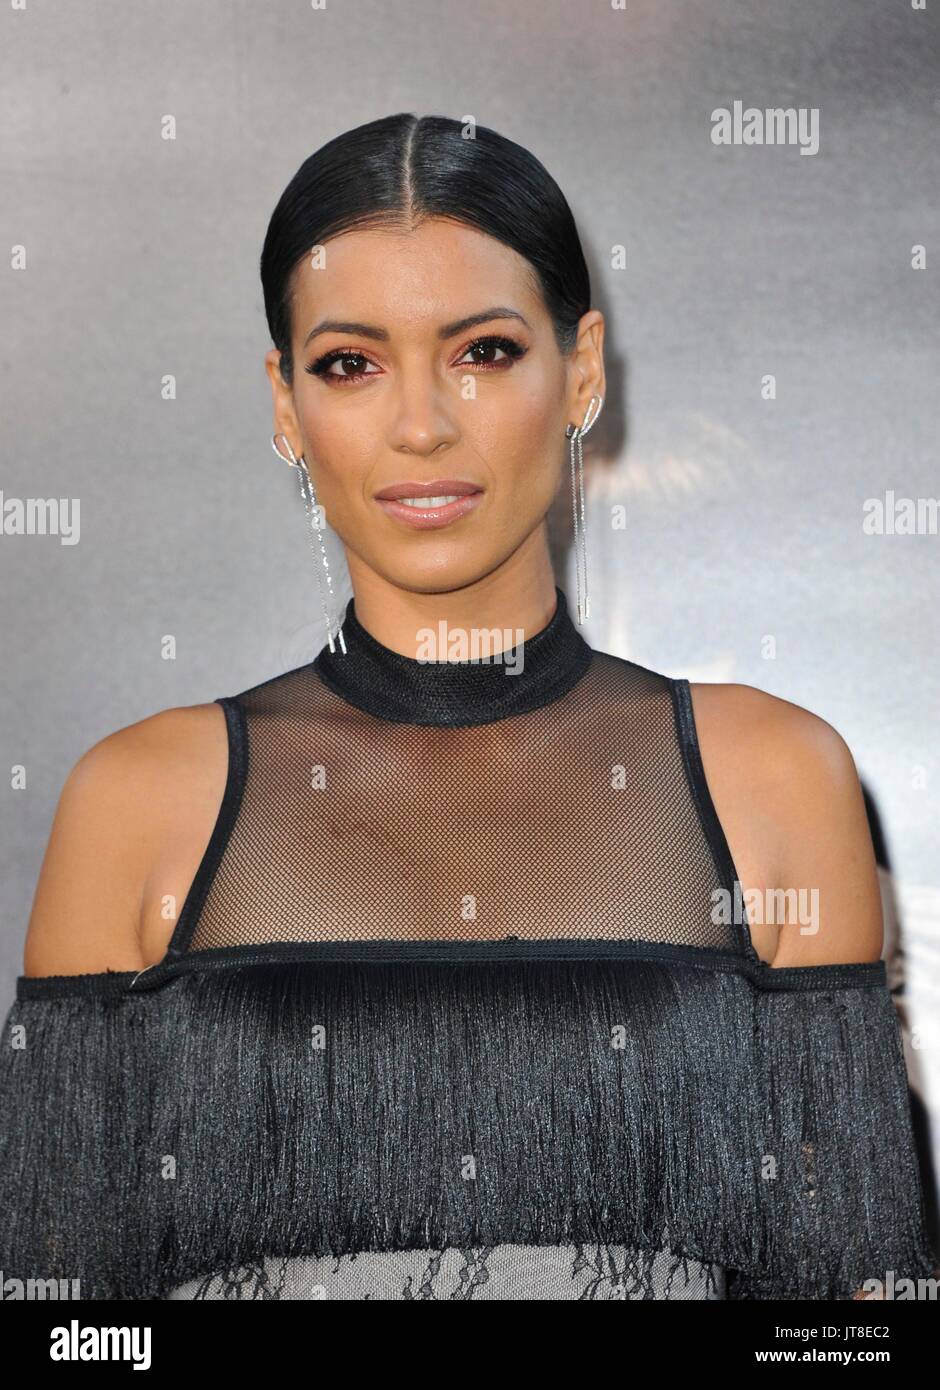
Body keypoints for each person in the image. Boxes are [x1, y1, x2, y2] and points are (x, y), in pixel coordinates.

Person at [0, 113, 935, 1301]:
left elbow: (852, 1322)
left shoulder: (771, 778)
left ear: (581, 370)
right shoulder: (138, 801)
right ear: (285, 404)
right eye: (350, 363)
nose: (422, 424)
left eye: (483, 350)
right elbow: (56, 1326)